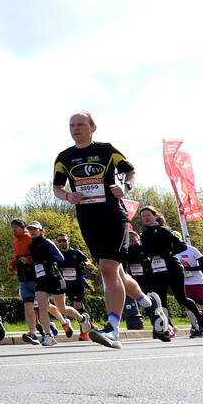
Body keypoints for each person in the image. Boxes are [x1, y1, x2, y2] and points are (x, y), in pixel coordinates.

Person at [53, 113, 147, 350]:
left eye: (81, 124)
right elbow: (57, 188)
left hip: (113, 216)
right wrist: (67, 196)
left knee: (107, 269)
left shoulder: (106, 150)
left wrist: (125, 186)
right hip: (87, 219)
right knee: (117, 273)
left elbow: (131, 172)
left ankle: (113, 329)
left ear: (93, 127)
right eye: (71, 125)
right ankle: (148, 303)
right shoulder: (64, 157)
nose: (76, 129)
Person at [137, 206, 203, 337]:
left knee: (181, 298)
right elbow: (146, 251)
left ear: (155, 216)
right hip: (157, 270)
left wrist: (165, 254)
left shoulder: (163, 230)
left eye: (148, 215)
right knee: (161, 300)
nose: (145, 218)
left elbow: (182, 246)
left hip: (173, 267)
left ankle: (200, 317)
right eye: (143, 216)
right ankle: (167, 328)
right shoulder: (144, 234)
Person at [25, 221, 90, 345]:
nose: (32, 231)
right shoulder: (31, 246)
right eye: (30, 229)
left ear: (41, 230)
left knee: (62, 308)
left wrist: (45, 261)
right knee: (42, 309)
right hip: (41, 280)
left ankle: (82, 318)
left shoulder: (47, 242)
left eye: (35, 229)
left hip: (54, 278)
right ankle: (49, 337)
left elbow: (60, 257)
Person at [55, 232, 94, 341]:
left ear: (68, 241)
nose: (62, 243)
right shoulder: (57, 254)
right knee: (63, 307)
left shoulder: (75, 253)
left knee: (77, 305)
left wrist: (86, 264)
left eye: (64, 240)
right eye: (59, 241)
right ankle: (90, 324)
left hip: (77, 283)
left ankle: (84, 333)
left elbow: (88, 261)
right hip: (63, 284)